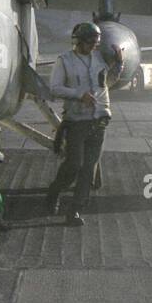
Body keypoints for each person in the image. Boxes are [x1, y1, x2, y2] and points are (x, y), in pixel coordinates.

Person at [45, 21, 124, 227]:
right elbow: (55, 88)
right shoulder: (64, 61)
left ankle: (75, 210)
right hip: (76, 122)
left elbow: (108, 82)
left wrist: (119, 64)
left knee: (88, 168)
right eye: (90, 42)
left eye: (96, 43)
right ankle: (54, 192)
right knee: (74, 164)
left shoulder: (99, 59)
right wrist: (79, 95)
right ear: (78, 41)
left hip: (99, 121)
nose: (93, 47)